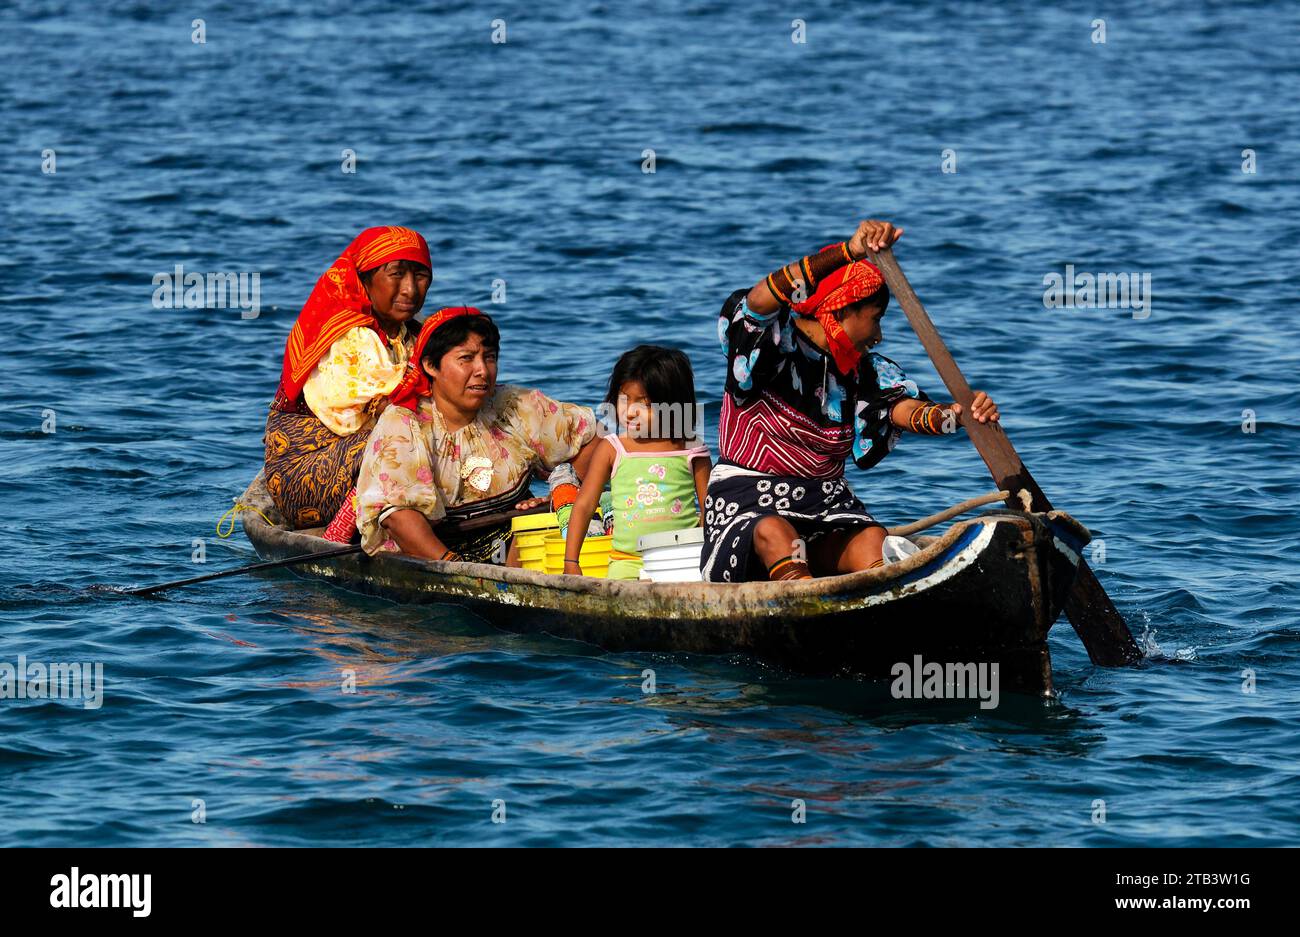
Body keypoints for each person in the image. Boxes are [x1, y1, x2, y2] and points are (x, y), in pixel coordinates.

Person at [702, 219, 1000, 583]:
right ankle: (805, 605)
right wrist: (848, 252)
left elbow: (900, 410)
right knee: (776, 534)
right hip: (749, 510)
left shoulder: (864, 372)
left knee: (874, 540)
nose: (878, 335)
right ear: (841, 310)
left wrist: (956, 416)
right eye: (875, 320)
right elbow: (759, 300)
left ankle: (888, 606)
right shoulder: (771, 347)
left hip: (826, 508)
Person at [354, 307, 602, 564]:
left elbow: (593, 445)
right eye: (466, 359)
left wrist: (564, 494)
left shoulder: (513, 405)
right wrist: (455, 568)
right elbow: (399, 517)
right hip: (435, 551)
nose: (482, 370)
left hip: (513, 542)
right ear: (430, 365)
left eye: (490, 357)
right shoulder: (405, 422)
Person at [263, 225, 432, 531]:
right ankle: (346, 527)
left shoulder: (410, 333)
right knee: (404, 438)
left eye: (420, 275)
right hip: (306, 477)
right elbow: (398, 413)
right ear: (365, 279)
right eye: (396, 274)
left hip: (365, 462)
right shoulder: (345, 336)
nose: (410, 289)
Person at [562, 346, 711, 580]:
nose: (630, 412)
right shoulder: (612, 448)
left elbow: (709, 508)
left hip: (682, 561)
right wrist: (571, 561)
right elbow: (585, 505)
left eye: (644, 404)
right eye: (624, 400)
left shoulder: (691, 448)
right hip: (627, 562)